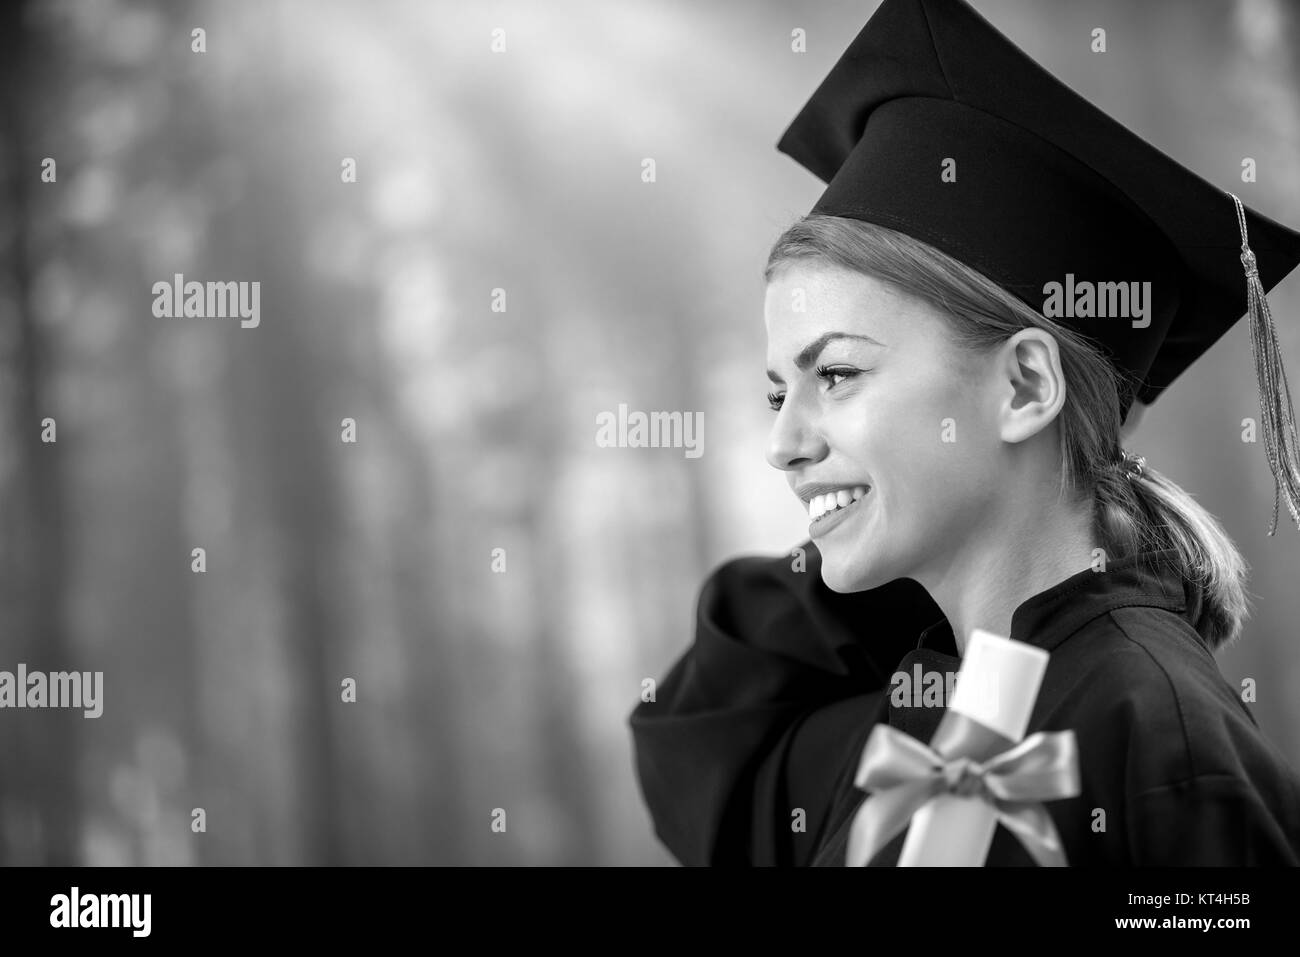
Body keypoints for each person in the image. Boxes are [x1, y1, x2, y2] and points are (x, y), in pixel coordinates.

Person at [629, 0, 1300, 866]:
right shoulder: (946, 706)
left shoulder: (1158, 737)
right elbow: (702, 742)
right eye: (775, 393)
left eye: (835, 374)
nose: (783, 441)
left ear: (1023, 385)